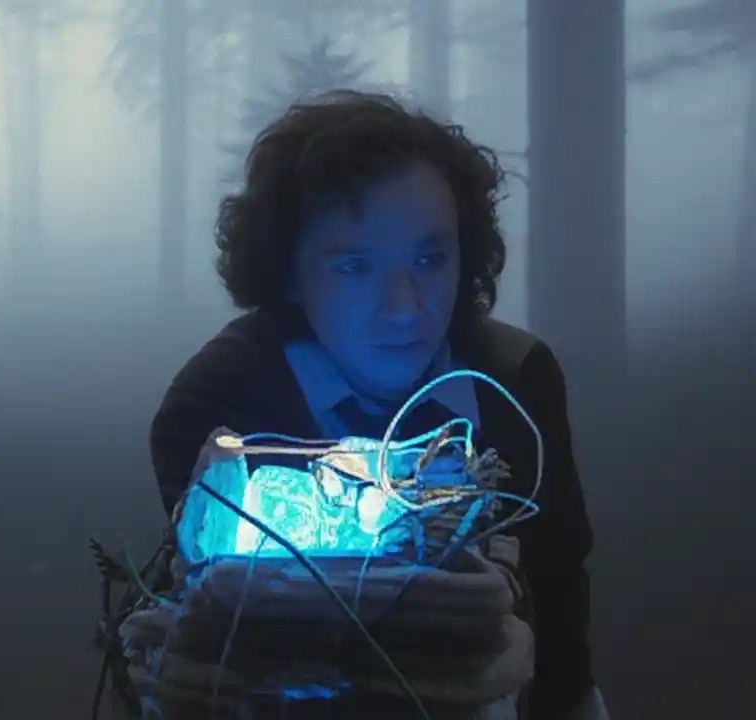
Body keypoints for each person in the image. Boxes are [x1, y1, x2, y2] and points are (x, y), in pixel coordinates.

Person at [149, 91, 608, 719]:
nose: (404, 305)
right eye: (355, 266)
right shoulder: (218, 402)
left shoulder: (514, 381)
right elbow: (210, 623)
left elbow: (558, 583)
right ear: (288, 271)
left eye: (428, 259)